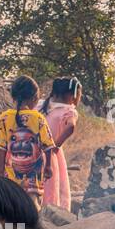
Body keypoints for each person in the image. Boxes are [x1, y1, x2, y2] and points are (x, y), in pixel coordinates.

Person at [0, 75, 57, 204]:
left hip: (10, 178)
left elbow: (0, 147)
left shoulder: (4, 118)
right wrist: (48, 167)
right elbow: (48, 145)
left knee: (12, 209)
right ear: (34, 98)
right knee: (33, 208)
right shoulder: (38, 118)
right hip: (33, 179)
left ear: (13, 96)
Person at [39, 76, 82, 212]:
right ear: (71, 95)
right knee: (51, 186)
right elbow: (71, 127)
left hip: (33, 150)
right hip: (50, 153)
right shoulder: (68, 111)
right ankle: (51, 215)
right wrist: (55, 145)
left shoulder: (40, 105)